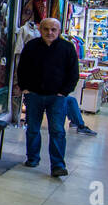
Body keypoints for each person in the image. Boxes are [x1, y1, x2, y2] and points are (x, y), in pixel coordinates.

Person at [15, 17, 80, 177]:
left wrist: (64, 92)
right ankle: (32, 158)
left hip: (57, 97)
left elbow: (73, 73)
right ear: (40, 30)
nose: (49, 32)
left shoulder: (67, 48)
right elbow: (22, 68)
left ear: (59, 31)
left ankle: (57, 165)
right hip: (34, 95)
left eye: (53, 29)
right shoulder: (32, 46)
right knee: (32, 129)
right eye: (46, 29)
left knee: (57, 130)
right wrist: (25, 88)